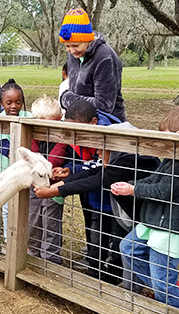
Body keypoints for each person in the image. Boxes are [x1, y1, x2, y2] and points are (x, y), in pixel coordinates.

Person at [34, 100, 160, 284]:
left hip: (132, 203)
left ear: (94, 123)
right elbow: (94, 169)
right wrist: (69, 172)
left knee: (122, 238)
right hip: (112, 196)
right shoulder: (98, 141)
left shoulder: (121, 153)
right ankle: (98, 270)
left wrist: (55, 190)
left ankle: (121, 279)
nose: (97, 153)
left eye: (100, 150)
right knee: (102, 228)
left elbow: (99, 177)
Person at [111, 106, 179, 310]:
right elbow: (156, 179)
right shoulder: (175, 157)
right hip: (155, 221)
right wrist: (132, 184)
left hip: (170, 229)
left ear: (178, 136)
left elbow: (163, 190)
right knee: (129, 248)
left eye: (164, 136)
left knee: (162, 275)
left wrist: (133, 189)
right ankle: (163, 291)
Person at [58, 8, 126, 122]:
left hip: (105, 122)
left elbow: (104, 105)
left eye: (76, 45)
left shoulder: (105, 58)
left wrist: (66, 97)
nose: (72, 51)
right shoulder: (74, 54)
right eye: (67, 46)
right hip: (77, 119)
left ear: (87, 39)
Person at [27, 96, 68, 264]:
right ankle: (33, 250)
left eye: (52, 124)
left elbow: (59, 152)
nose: (48, 129)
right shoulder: (31, 133)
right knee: (33, 217)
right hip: (35, 183)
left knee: (51, 221)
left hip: (54, 185)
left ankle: (50, 258)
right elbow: (33, 153)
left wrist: (48, 168)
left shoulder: (62, 134)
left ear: (60, 120)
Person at [0, 80, 33, 237]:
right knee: (8, 206)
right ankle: (10, 238)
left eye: (18, 102)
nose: (13, 106)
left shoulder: (29, 117)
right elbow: (0, 144)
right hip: (5, 171)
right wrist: (16, 153)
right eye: (9, 103)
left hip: (26, 172)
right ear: (1, 102)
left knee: (26, 205)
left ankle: (26, 237)